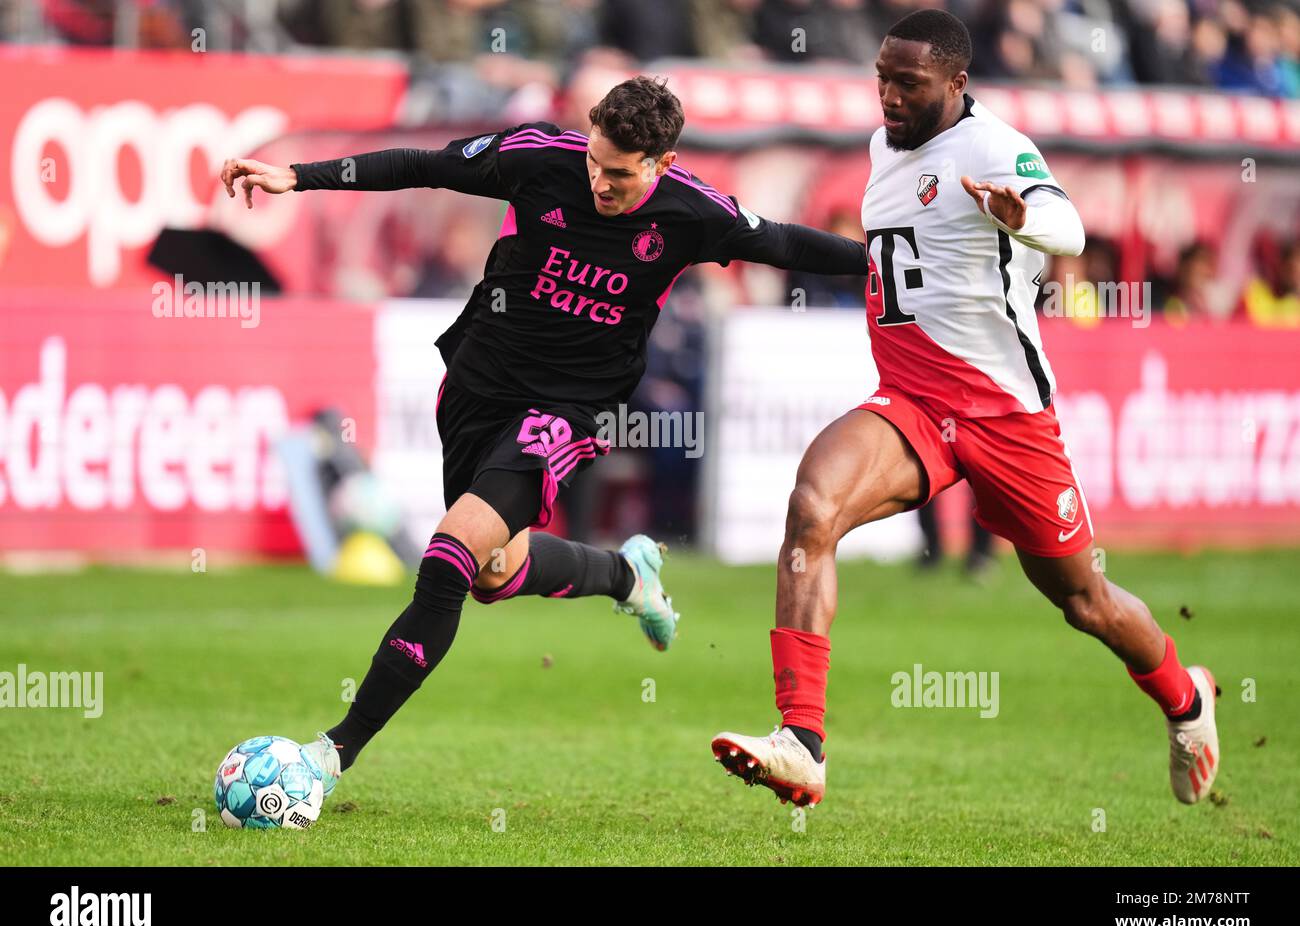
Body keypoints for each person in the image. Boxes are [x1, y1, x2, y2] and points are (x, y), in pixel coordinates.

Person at [219, 76, 873, 792]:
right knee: (494, 575)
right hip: (475, 388)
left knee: (446, 562)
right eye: (594, 161)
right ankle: (626, 575)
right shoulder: (536, 157)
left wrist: (888, 262)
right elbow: (423, 164)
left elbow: (784, 243)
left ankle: (328, 757)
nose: (600, 181)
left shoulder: (694, 212)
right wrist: (298, 177)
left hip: (566, 410)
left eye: (620, 173)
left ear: (663, 161)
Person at [710, 11, 1220, 809]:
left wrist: (1025, 217)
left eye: (906, 84)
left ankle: (1186, 699)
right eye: (881, 77)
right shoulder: (885, 146)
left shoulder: (995, 147)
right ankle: (802, 742)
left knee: (1083, 600)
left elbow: (1068, 222)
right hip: (911, 401)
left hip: (1004, 414)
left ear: (956, 83)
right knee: (811, 508)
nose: (887, 95)